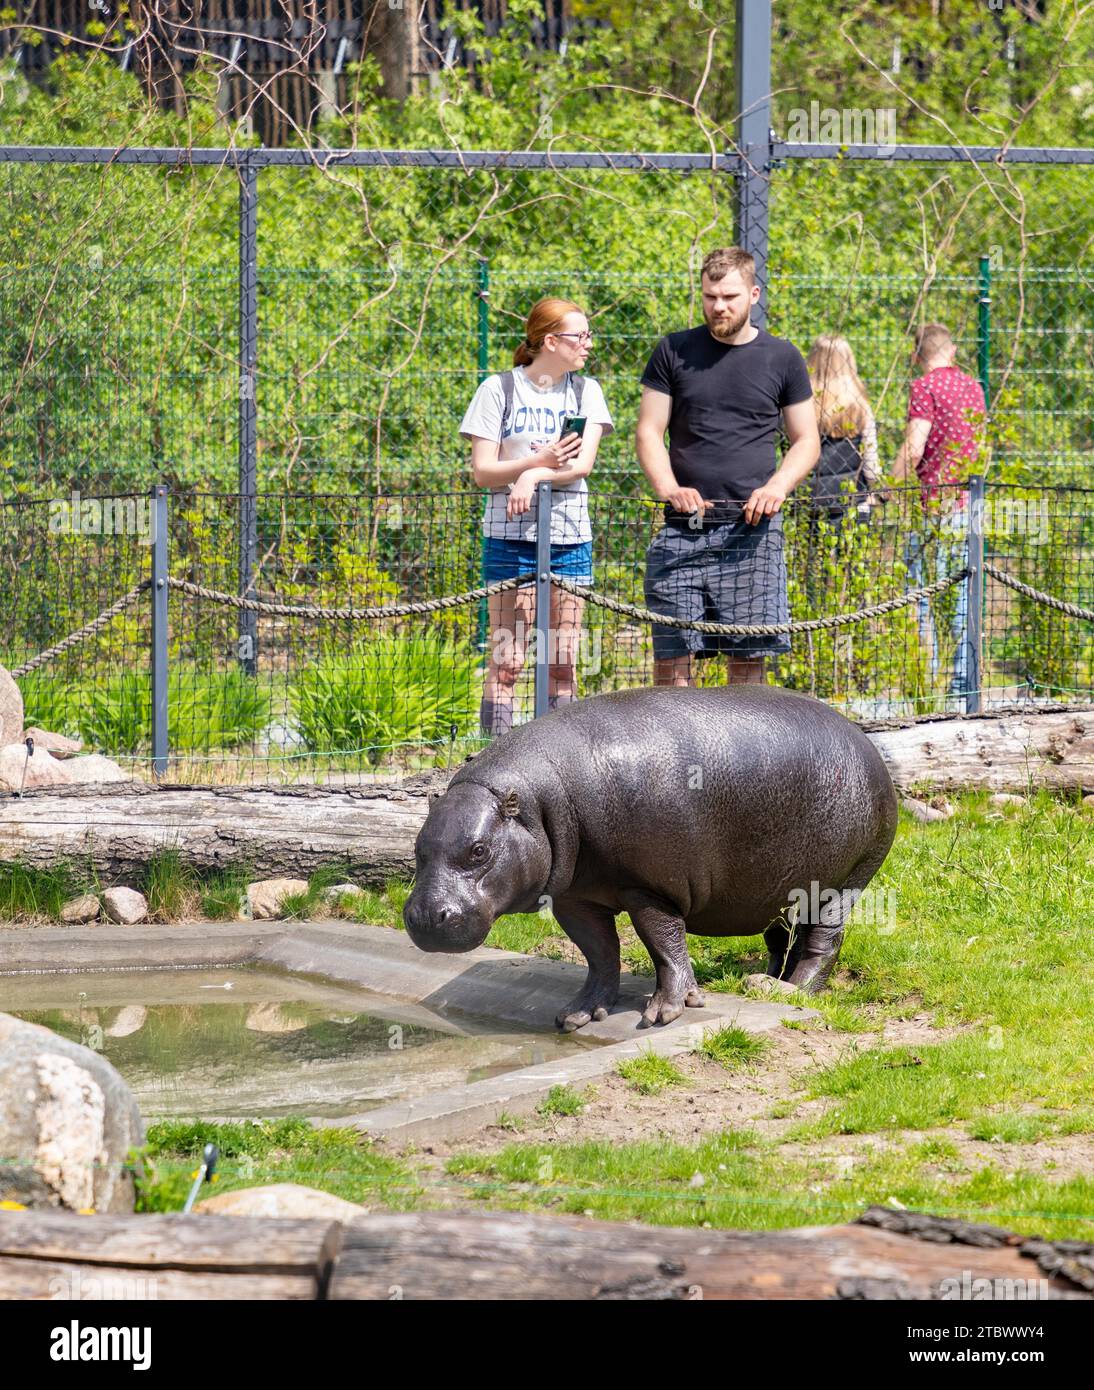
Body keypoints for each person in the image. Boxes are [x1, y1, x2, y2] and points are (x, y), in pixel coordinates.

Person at [637, 246, 820, 687]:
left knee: (748, 667)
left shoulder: (783, 358)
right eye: (709, 296)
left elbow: (806, 440)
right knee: (674, 665)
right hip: (684, 530)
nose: (719, 306)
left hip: (752, 533)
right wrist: (668, 488)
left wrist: (777, 486)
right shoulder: (672, 351)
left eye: (730, 297)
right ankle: (677, 756)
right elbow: (648, 431)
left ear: (754, 294)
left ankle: (742, 758)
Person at [460, 297, 614, 737]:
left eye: (588, 335)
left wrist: (532, 475)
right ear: (550, 341)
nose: (588, 344)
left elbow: (580, 467)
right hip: (511, 543)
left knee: (562, 662)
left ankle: (557, 767)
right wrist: (537, 464)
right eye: (579, 336)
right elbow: (483, 471)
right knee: (508, 660)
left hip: (569, 541)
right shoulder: (498, 389)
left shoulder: (587, 392)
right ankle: (496, 763)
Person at [891, 322, 987, 700]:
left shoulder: (924, 386)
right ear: (954, 351)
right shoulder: (974, 388)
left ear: (917, 357)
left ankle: (927, 680)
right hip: (971, 504)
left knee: (920, 594)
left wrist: (887, 488)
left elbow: (915, 446)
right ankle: (963, 684)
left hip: (934, 507)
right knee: (965, 594)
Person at [802, 334, 883, 605]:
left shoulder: (801, 407)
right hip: (853, 502)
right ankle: (851, 631)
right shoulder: (860, 407)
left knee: (811, 571)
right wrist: (877, 492)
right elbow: (871, 462)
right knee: (853, 570)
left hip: (810, 501)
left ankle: (811, 628)